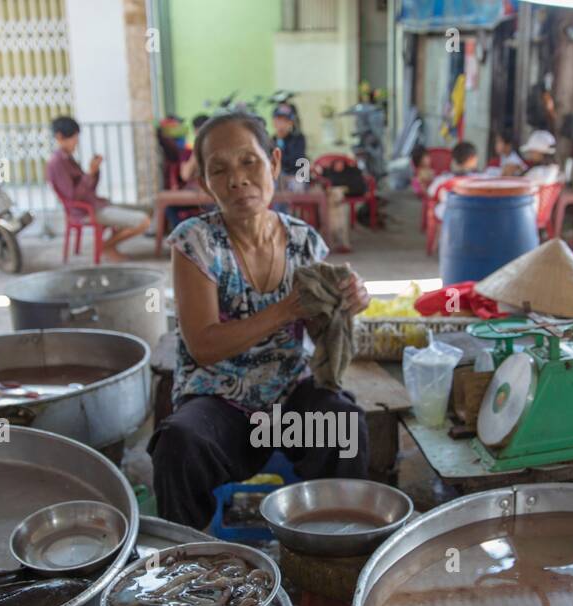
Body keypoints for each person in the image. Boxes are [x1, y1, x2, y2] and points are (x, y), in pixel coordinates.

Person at [148, 110, 371, 529]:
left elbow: (321, 334)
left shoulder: (305, 242)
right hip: (221, 409)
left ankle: (333, 551)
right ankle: (185, 566)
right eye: (219, 169)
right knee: (179, 442)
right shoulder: (195, 243)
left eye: (249, 161)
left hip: (287, 411)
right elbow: (204, 345)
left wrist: (348, 300)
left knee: (343, 423)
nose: (237, 179)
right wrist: (284, 310)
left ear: (274, 162)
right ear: (205, 184)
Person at [47, 116, 150, 262]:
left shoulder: (67, 159)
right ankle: (106, 247)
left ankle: (109, 247)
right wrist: (89, 173)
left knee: (147, 209)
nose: (76, 142)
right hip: (86, 211)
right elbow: (73, 196)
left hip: (96, 204)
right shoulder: (57, 163)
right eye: (73, 138)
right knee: (143, 221)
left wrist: (94, 171)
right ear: (59, 137)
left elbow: (89, 188)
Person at [428, 140, 479, 221]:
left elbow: (431, 192)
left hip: (447, 214)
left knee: (439, 209)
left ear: (453, 160)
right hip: (473, 215)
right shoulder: (479, 180)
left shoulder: (443, 179)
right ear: (472, 159)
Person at [271, 103, 308, 189]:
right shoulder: (271, 141)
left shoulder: (298, 139)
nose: (282, 124)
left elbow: (298, 160)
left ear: (291, 123)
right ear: (274, 122)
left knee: (297, 185)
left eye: (285, 120)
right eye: (279, 120)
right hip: (279, 178)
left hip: (295, 177)